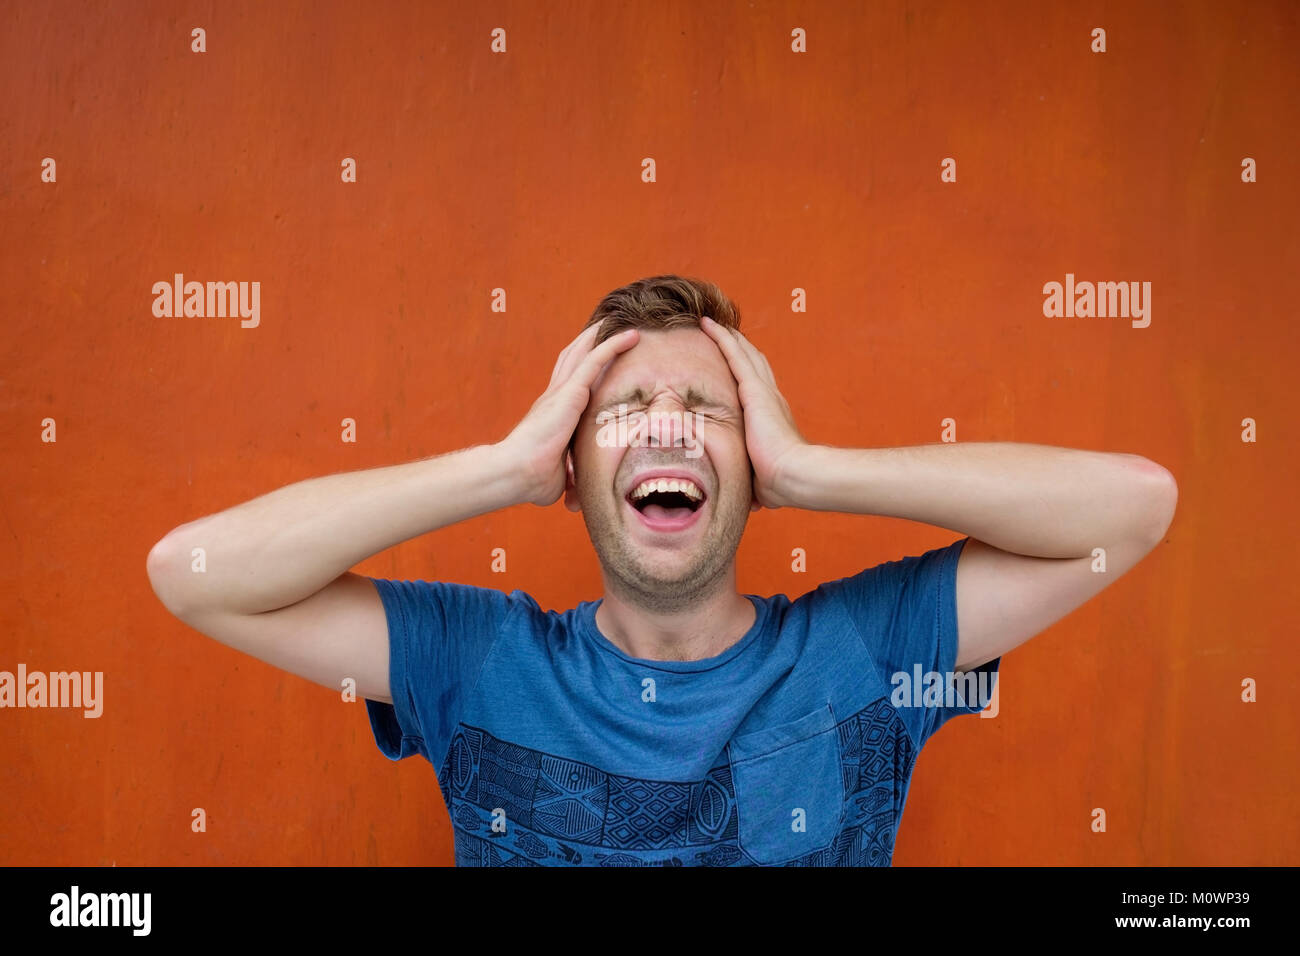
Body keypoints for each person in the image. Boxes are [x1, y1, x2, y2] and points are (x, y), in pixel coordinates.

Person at [146, 274, 1178, 866]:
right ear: (570, 467)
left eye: (708, 408)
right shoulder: (476, 660)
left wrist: (814, 468)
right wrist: (504, 466)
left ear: (751, 462)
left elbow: (1134, 504)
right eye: (625, 409)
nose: (668, 424)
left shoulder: (866, 650)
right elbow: (193, 572)